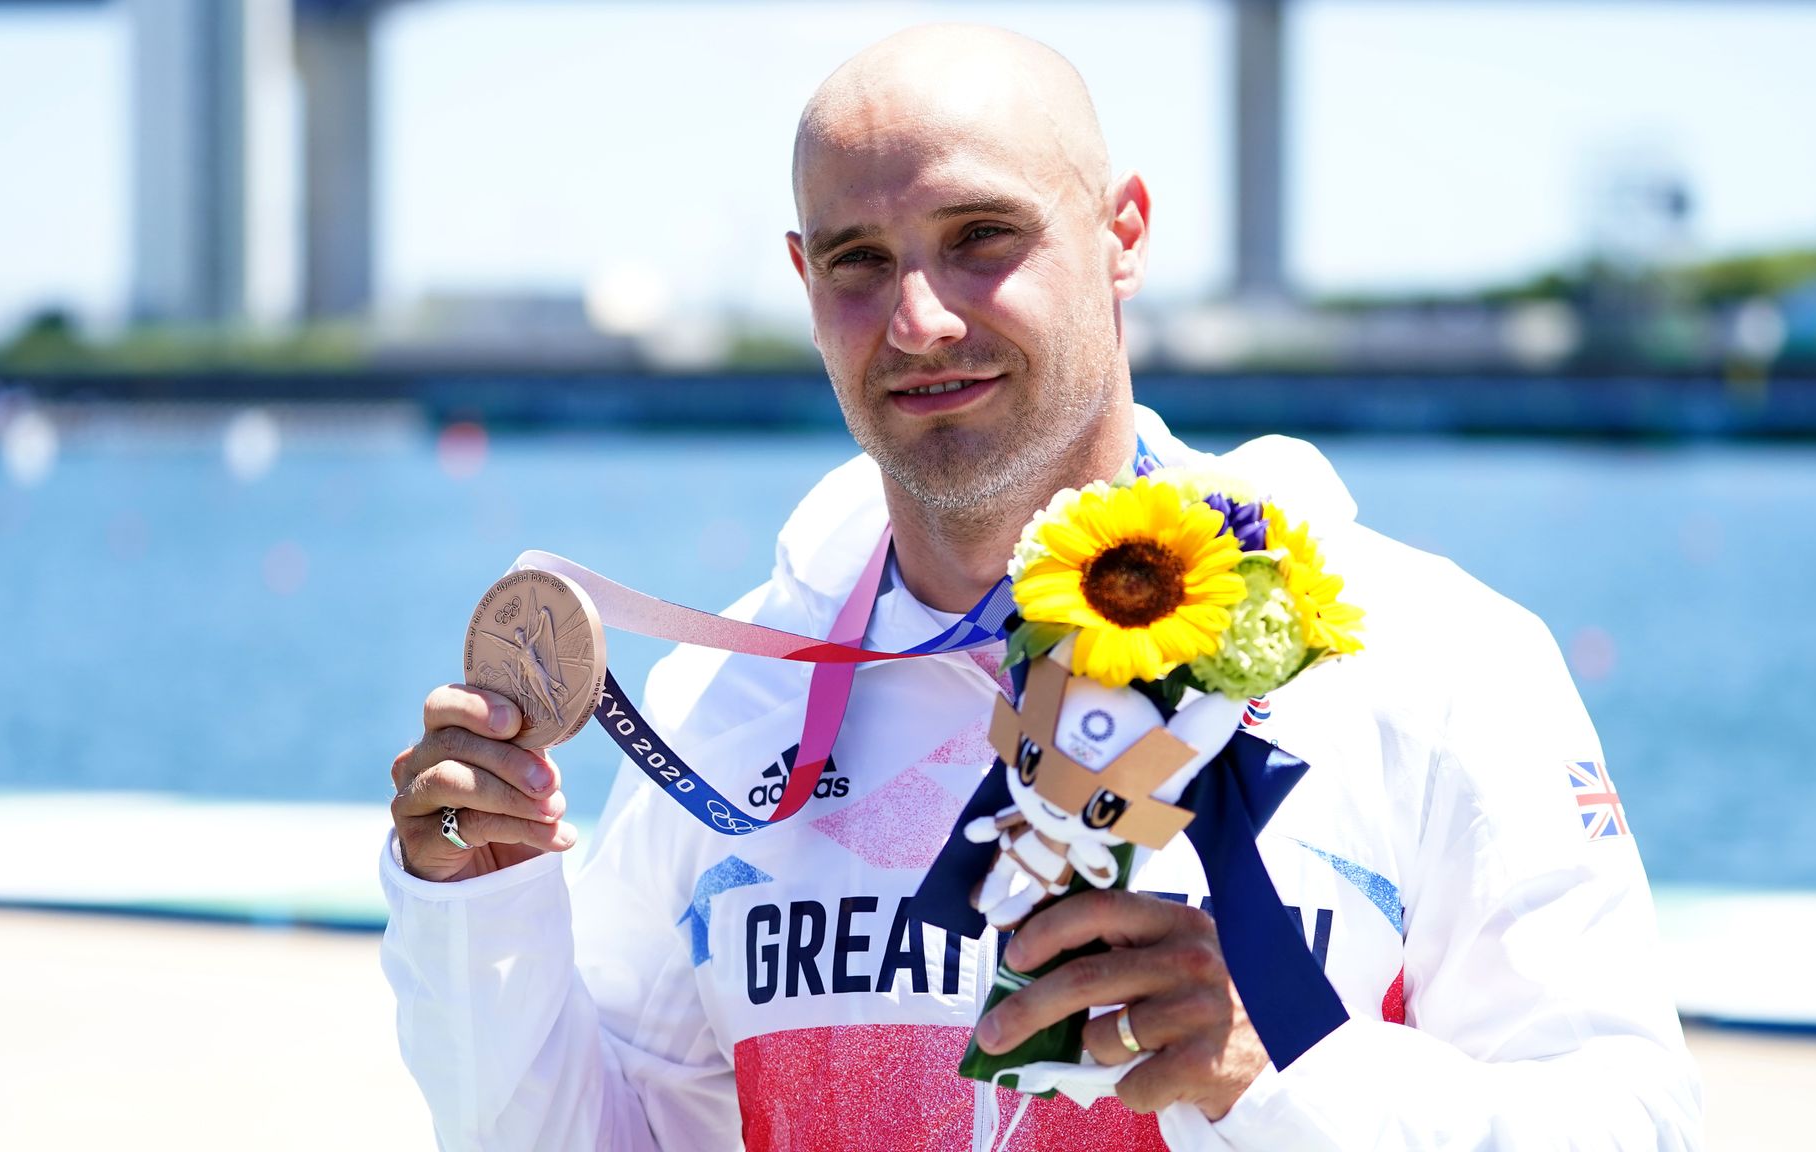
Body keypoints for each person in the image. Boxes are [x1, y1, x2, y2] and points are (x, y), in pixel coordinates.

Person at [381, 23, 1704, 1150]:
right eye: (858, 260)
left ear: (1122, 233)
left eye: (981, 238)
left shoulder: (1428, 655)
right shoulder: (727, 695)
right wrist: (478, 910)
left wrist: (1284, 1072)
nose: (921, 319)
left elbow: (1629, 1122)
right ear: (804, 280)